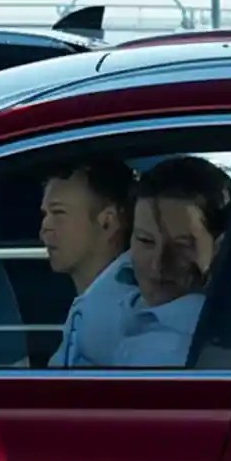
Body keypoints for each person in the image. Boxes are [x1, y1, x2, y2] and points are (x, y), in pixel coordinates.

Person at [56, 155, 231, 368]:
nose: (158, 265)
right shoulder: (114, 284)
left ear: (220, 246)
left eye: (182, 245)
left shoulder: (199, 343)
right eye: (145, 240)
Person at [39, 157, 136, 367]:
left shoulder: (119, 317)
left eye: (59, 213)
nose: (45, 226)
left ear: (108, 221)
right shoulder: (97, 304)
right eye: (45, 214)